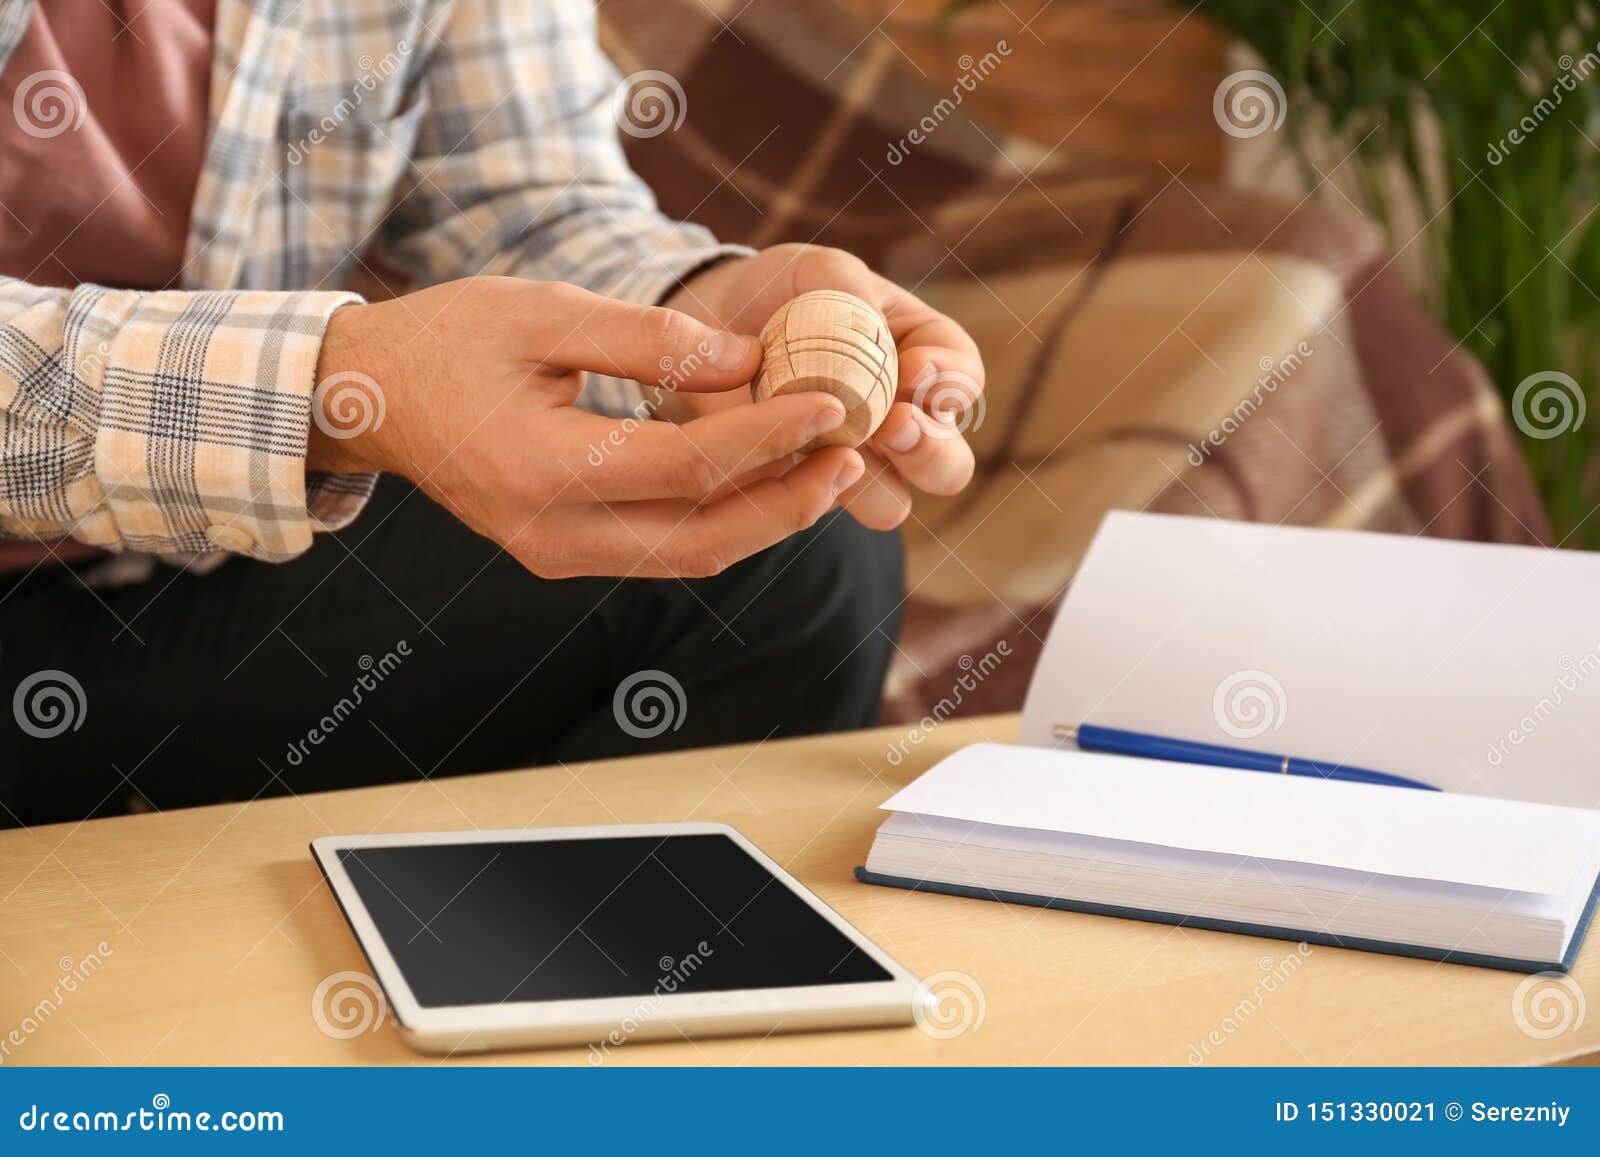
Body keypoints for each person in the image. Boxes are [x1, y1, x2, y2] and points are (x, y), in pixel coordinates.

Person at [0, 0, 982, 826]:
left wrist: (692, 310)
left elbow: (528, 199)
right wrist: (335, 389)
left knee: (797, 548)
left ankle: (591, 1028)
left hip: (198, 583)